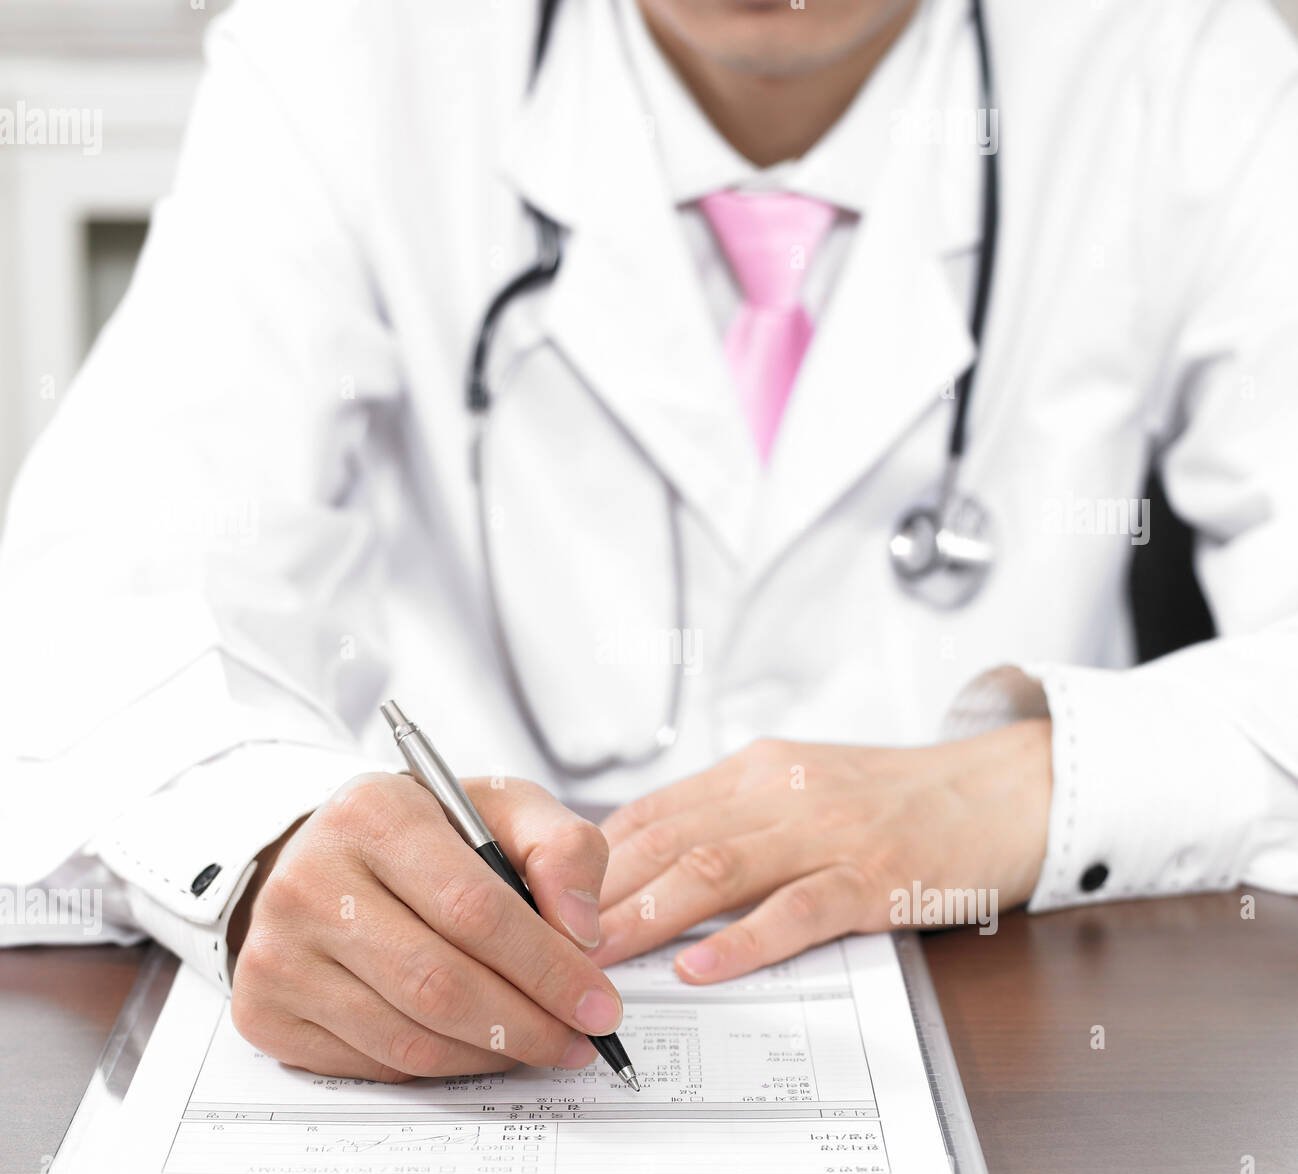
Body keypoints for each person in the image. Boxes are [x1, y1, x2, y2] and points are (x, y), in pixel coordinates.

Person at [1, 0, 1295, 1082]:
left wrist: (1021, 788)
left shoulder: (1179, 55)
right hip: (468, 1068)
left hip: (1016, 1055)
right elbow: (92, 598)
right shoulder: (354, 44)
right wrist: (281, 845)